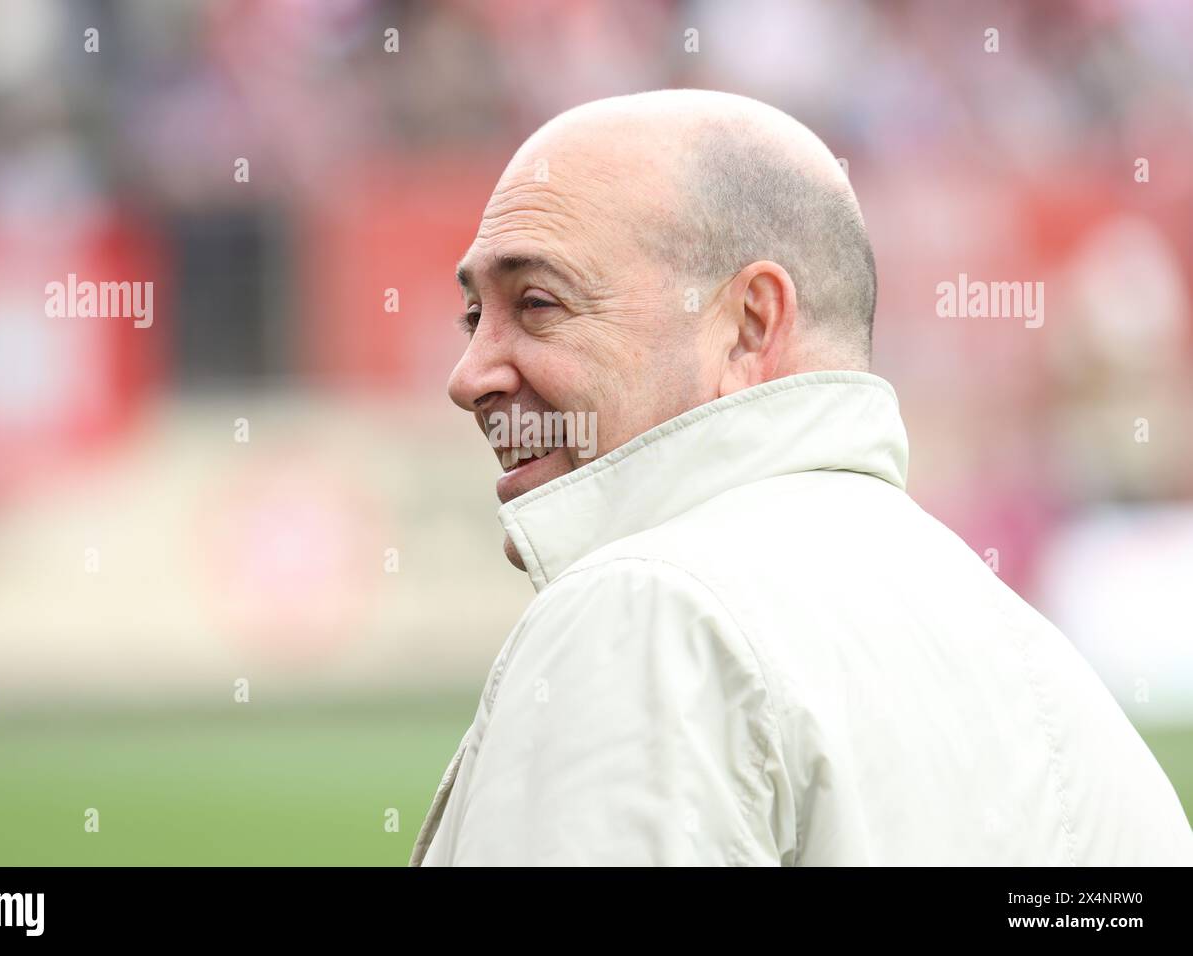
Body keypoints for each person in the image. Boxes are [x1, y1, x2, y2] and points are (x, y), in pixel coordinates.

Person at [412, 89, 1192, 865]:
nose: (467, 374)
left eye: (539, 303)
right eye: (473, 317)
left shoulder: (649, 609)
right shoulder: (1040, 662)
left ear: (750, 323)